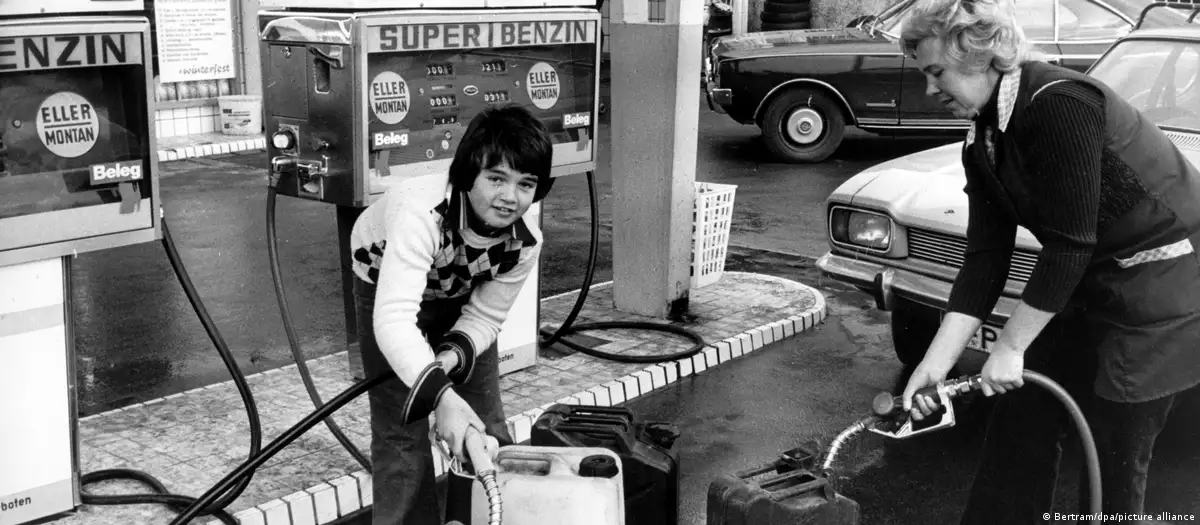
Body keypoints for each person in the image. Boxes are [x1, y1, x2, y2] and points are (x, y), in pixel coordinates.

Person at [896, 0, 1200, 523]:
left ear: (981, 53)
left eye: (936, 72)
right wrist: (935, 364)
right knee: (1020, 415)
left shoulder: (1060, 102)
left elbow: (1069, 243)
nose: (929, 88)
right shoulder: (983, 137)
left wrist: (1010, 346)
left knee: (1115, 450)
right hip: (1090, 281)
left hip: (1165, 289)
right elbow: (985, 258)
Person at [349, 104, 554, 525]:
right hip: (386, 284)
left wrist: (452, 358)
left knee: (484, 419)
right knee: (400, 426)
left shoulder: (526, 240)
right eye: (496, 178)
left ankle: (495, 514)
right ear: (467, 173)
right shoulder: (422, 212)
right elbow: (394, 319)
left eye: (525, 184)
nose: (510, 197)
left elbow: (486, 317)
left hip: (460, 290)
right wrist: (440, 395)